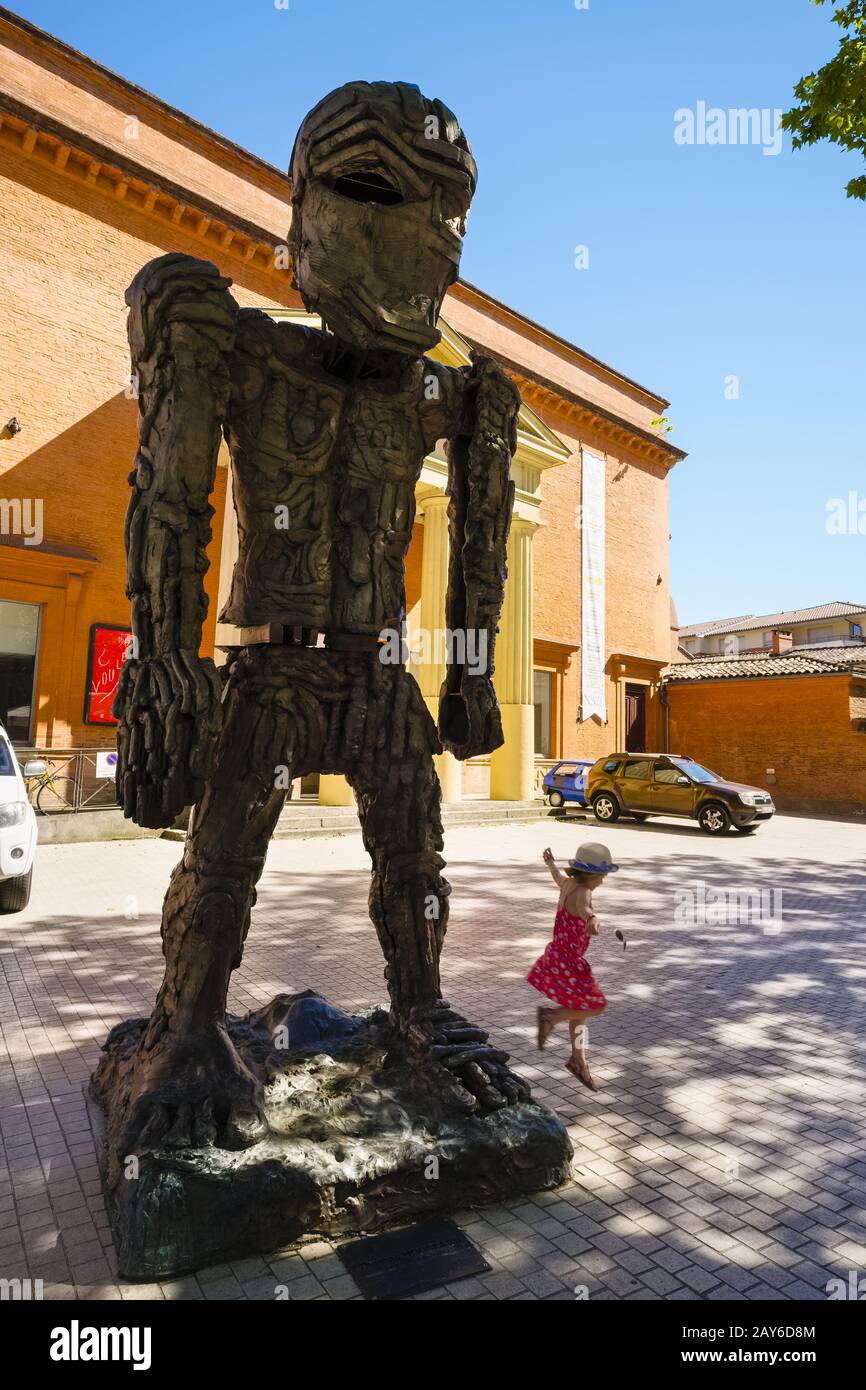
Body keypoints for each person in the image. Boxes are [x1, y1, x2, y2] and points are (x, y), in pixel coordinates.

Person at [528, 841, 619, 1090]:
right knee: (596, 1006)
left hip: (556, 955)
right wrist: (593, 920)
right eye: (603, 875)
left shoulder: (569, 885)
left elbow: (558, 878)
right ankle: (550, 1017)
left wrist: (550, 864)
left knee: (578, 1014)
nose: (604, 880)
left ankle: (578, 1060)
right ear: (594, 874)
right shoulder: (584, 893)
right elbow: (585, 909)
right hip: (569, 963)